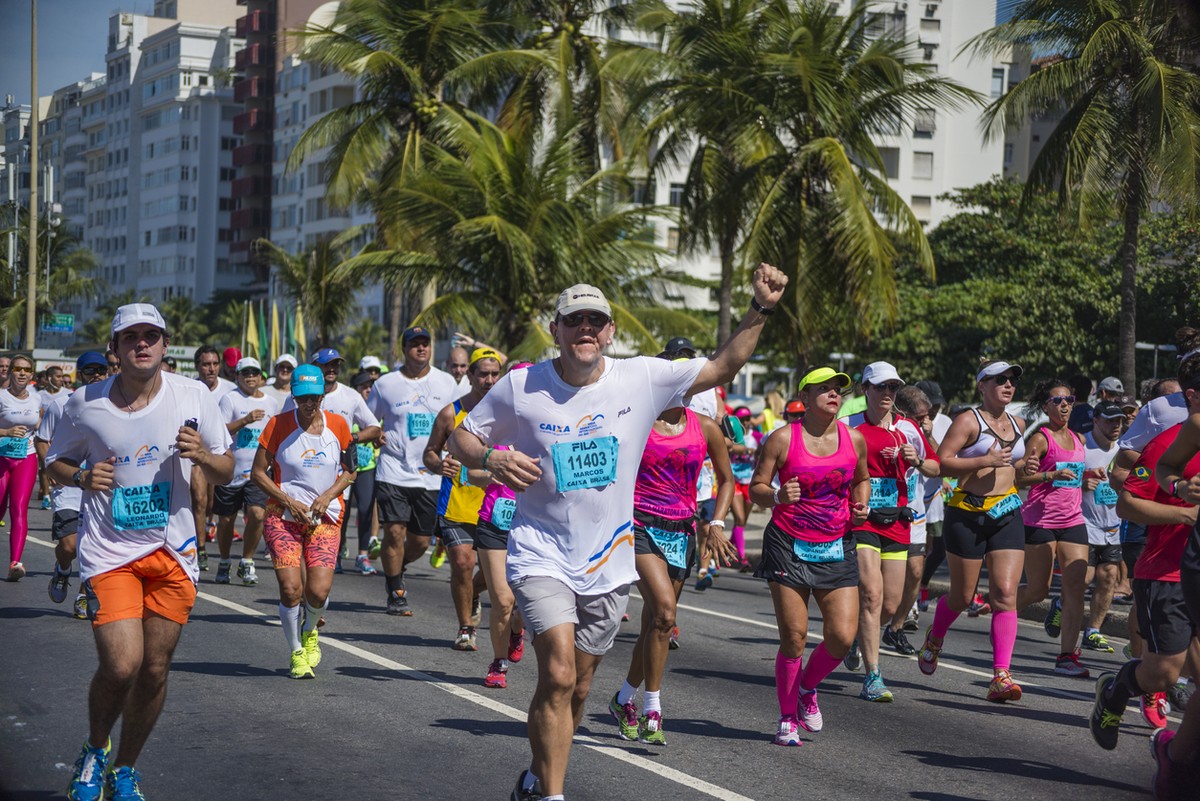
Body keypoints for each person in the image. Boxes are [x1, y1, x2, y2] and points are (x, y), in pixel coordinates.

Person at [449, 264, 787, 801]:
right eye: (574, 319)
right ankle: (555, 796)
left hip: (609, 560)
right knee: (557, 673)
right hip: (542, 553)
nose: (585, 328)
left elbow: (726, 364)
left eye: (595, 320)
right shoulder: (522, 384)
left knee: (579, 686)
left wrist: (761, 308)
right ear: (555, 329)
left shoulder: (643, 378)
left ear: (609, 331)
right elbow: (462, 438)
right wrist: (492, 455)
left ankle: (536, 780)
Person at [48, 303, 233, 801]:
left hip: (174, 549)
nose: (142, 344)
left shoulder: (193, 396)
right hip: (110, 551)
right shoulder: (84, 403)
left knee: (154, 668)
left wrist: (203, 458)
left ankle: (124, 768)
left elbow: (227, 468)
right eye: (131, 337)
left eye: (151, 335)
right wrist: (83, 476)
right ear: (115, 349)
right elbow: (55, 462)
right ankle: (94, 749)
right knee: (122, 664)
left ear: (165, 345)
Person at [608, 351, 737, 745]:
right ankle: (653, 708)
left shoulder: (707, 428)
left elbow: (727, 481)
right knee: (665, 612)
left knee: (655, 624)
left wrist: (716, 523)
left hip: (680, 532)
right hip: (639, 526)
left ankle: (623, 698)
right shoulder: (635, 421)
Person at [748, 367, 869, 744]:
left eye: (838, 390)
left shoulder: (854, 440)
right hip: (789, 545)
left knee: (842, 637)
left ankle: (806, 687)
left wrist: (861, 502)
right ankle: (786, 718)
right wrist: (777, 496)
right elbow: (756, 488)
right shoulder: (782, 439)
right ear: (806, 394)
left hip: (836, 544)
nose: (834, 395)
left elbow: (861, 478)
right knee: (795, 637)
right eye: (825, 389)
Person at [922, 360, 1027, 703]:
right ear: (982, 385)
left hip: (1007, 512)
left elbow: (1015, 469)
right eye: (1000, 380)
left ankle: (1001, 675)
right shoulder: (968, 420)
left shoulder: (1018, 422)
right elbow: (941, 462)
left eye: (1012, 380)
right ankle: (935, 636)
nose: (1008, 385)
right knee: (963, 596)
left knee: (1005, 592)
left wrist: (1029, 468)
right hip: (967, 514)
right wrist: (982, 461)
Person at [251, 364, 356, 680]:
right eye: (302, 398)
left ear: (323, 394)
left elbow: (351, 470)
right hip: (282, 517)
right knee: (291, 588)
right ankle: (297, 651)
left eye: (314, 397)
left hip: (325, 518)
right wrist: (289, 502)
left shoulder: (338, 425)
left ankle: (310, 629)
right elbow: (258, 473)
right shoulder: (278, 425)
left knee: (318, 592)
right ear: (294, 397)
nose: (309, 404)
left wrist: (327, 496)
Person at [843, 363, 939, 701]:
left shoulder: (909, 429)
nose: (887, 394)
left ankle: (858, 637)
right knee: (871, 594)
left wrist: (916, 460)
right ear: (865, 389)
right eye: (880, 387)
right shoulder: (848, 426)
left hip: (898, 520)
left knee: (891, 603)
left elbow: (935, 466)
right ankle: (873, 676)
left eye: (892, 388)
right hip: (863, 519)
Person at [368, 327, 461, 615]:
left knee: (420, 541)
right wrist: (375, 434)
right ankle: (395, 589)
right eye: (414, 345)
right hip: (394, 469)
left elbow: (458, 422)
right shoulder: (385, 384)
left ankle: (397, 566)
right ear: (404, 349)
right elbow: (370, 420)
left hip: (432, 473)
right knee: (394, 532)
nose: (421, 349)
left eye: (425, 344)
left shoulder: (446, 383)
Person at [423, 347, 505, 649]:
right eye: (483, 373)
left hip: (497, 504)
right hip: (457, 502)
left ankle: (472, 592)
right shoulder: (451, 413)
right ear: (470, 376)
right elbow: (429, 452)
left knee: (498, 571)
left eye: (495, 374)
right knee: (461, 561)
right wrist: (438, 464)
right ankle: (466, 628)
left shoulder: (508, 412)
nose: (489, 380)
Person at [1146, 361, 1200, 796]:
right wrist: (1181, 488)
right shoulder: (1196, 425)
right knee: (1166, 671)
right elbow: (1164, 470)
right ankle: (1177, 757)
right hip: (1186, 561)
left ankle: (1177, 755)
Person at [1014, 379, 1092, 678]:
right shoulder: (1040, 439)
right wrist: (1048, 475)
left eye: (1069, 399)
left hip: (1073, 520)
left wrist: (1088, 478)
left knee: (1075, 588)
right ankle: (1003, 609)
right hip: (1040, 522)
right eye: (1058, 400)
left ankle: (1066, 656)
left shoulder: (1079, 439)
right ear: (1046, 405)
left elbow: (1072, 479)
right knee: (1038, 590)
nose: (1065, 405)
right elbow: (1019, 480)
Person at [281, 349, 381, 573]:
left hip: (339, 470)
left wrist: (351, 438)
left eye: (336, 364)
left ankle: (332, 556)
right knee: (309, 521)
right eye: (327, 365)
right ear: (315, 366)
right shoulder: (295, 397)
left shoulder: (351, 396)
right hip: (305, 468)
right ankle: (317, 559)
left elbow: (374, 428)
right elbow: (283, 427)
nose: (332, 369)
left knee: (339, 514)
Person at [39, 352, 110, 617]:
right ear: (79, 375)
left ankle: (84, 593)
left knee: (92, 546)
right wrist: (51, 468)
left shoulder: (114, 405)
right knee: (69, 546)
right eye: (89, 371)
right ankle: (63, 569)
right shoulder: (62, 405)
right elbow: (42, 439)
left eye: (100, 370)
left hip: (100, 489)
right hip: (69, 487)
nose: (96, 375)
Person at [213, 357, 279, 586]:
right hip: (231, 470)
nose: (250, 377)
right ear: (237, 376)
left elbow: (276, 435)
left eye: (254, 373)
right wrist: (245, 421)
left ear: (261, 377)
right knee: (226, 520)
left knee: (258, 514)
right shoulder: (230, 399)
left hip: (258, 472)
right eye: (245, 373)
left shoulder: (271, 403)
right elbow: (219, 432)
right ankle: (223, 561)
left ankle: (247, 560)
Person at [1080, 401, 1126, 655]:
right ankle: (1060, 603)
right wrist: (1081, 484)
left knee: (1109, 577)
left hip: (1113, 526)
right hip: (1083, 522)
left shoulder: (1125, 450)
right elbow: (1059, 478)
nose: (1116, 425)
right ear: (1096, 420)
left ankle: (1093, 631)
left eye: (1119, 420)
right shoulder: (1082, 446)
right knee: (1084, 578)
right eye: (1110, 420)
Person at [890, 385, 937, 635]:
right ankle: (863, 630)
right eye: (920, 418)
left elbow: (940, 463)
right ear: (902, 412)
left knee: (916, 571)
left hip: (915, 514)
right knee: (883, 585)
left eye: (927, 416)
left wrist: (927, 437)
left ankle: (896, 627)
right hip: (885, 515)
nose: (926, 421)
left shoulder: (920, 433)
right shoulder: (890, 429)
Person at [192, 345, 237, 571]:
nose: (211, 369)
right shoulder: (191, 390)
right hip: (197, 456)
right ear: (197, 367)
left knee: (212, 504)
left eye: (215, 364)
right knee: (200, 500)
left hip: (222, 457)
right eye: (206, 364)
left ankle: (217, 545)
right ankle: (200, 548)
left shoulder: (230, 391)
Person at [0, 354, 43, 580]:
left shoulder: (37, 400)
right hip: (1, 458)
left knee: (18, 509)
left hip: (26, 458)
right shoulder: (1, 397)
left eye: (27, 369)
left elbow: (41, 427)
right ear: (10, 372)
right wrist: (5, 432)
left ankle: (15, 562)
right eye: (17, 369)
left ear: (32, 375)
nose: (22, 373)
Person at [349, 370, 382, 574]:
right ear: (356, 390)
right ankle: (337, 552)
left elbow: (380, 432)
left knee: (365, 510)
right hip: (345, 468)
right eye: (364, 386)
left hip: (367, 467)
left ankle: (362, 555)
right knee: (341, 515)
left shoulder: (375, 411)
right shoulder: (348, 407)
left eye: (371, 386)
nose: (368, 390)